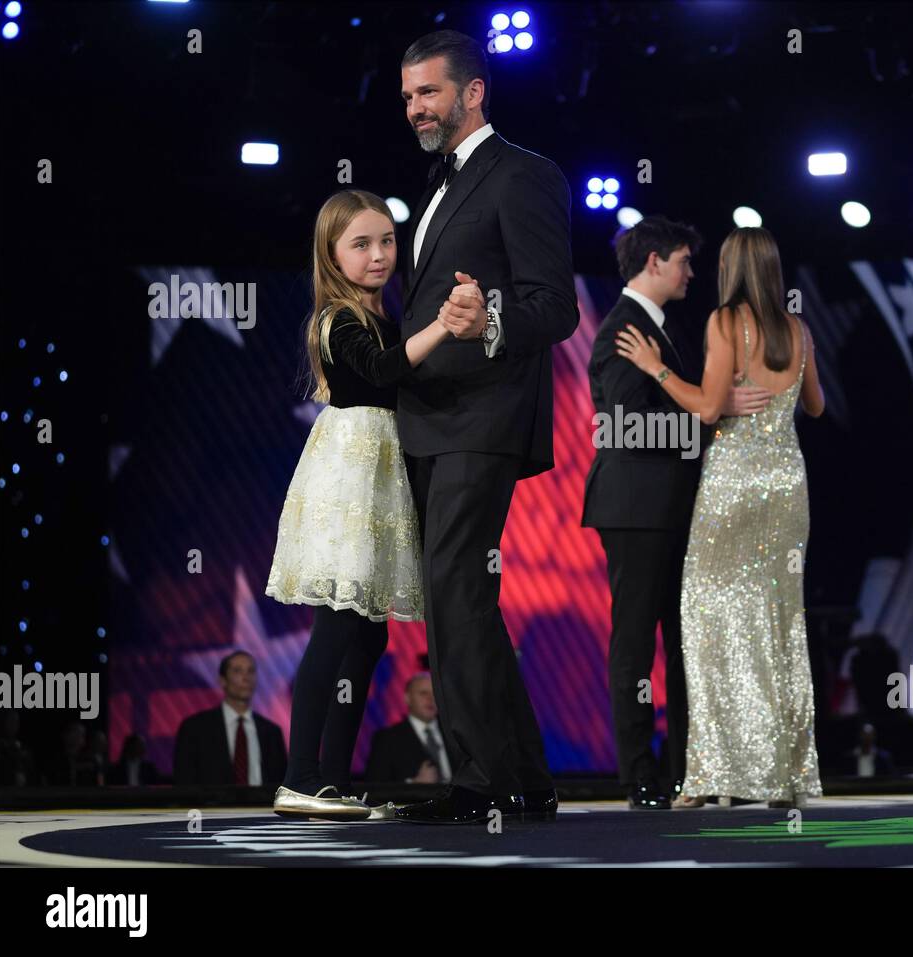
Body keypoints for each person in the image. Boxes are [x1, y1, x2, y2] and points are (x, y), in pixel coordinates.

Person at [393, 30, 578, 825]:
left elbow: (557, 306)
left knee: (454, 587)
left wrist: (486, 318)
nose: (415, 110)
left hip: (483, 416)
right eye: (407, 97)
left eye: (427, 93)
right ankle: (525, 776)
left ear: (473, 91)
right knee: (462, 598)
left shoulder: (526, 175)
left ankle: (476, 780)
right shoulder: (435, 183)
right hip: (430, 419)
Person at [615, 226, 826, 809]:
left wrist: (657, 368)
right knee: (780, 622)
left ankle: (713, 776)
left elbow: (708, 408)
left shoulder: (725, 323)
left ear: (730, 268)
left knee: (708, 621)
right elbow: (816, 405)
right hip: (787, 484)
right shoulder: (799, 329)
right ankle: (786, 776)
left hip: (733, 482)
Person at [265, 189, 451, 820]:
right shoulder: (338, 321)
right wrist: (443, 327)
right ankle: (299, 776)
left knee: (369, 638)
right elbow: (382, 369)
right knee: (339, 622)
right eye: (362, 244)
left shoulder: (380, 314)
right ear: (332, 254)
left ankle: (332, 780)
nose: (379, 255)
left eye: (387, 241)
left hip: (380, 476)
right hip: (350, 478)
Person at [582, 215, 772, 809]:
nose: (693, 272)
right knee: (637, 642)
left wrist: (707, 408)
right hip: (638, 509)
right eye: (685, 261)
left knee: (683, 640)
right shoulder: (625, 330)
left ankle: (688, 770)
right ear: (655, 263)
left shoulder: (655, 330)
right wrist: (708, 413)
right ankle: (640, 775)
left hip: (667, 508)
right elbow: (624, 426)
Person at [172, 650, 287, 787]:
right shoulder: (194, 728)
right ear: (222, 681)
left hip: (261, 807)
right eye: (238, 671)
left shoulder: (272, 732)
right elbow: (184, 782)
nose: (246, 678)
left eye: (251, 671)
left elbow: (281, 785)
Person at [365, 673, 452, 785]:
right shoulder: (387, 739)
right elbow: (374, 787)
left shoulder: (456, 735)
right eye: (423, 693)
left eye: (435, 693)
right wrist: (413, 784)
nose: (431, 699)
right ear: (408, 698)